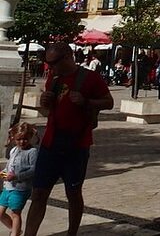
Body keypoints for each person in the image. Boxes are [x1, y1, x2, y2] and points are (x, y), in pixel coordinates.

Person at [24, 42, 113, 236]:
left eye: (54, 62)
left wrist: (86, 101)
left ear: (68, 57)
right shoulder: (53, 78)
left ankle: (71, 233)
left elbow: (109, 102)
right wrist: (44, 103)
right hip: (50, 143)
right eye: (48, 63)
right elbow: (48, 111)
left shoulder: (90, 78)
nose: (50, 67)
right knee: (38, 193)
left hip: (77, 145)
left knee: (73, 193)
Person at [0, 123, 38, 236]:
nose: (22, 142)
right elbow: (9, 166)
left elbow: (34, 170)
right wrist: (4, 173)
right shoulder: (13, 150)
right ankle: (15, 229)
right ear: (14, 138)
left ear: (30, 137)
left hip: (20, 189)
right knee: (0, 213)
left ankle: (15, 233)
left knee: (15, 213)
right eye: (19, 139)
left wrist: (16, 176)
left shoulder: (32, 152)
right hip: (8, 187)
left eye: (25, 139)